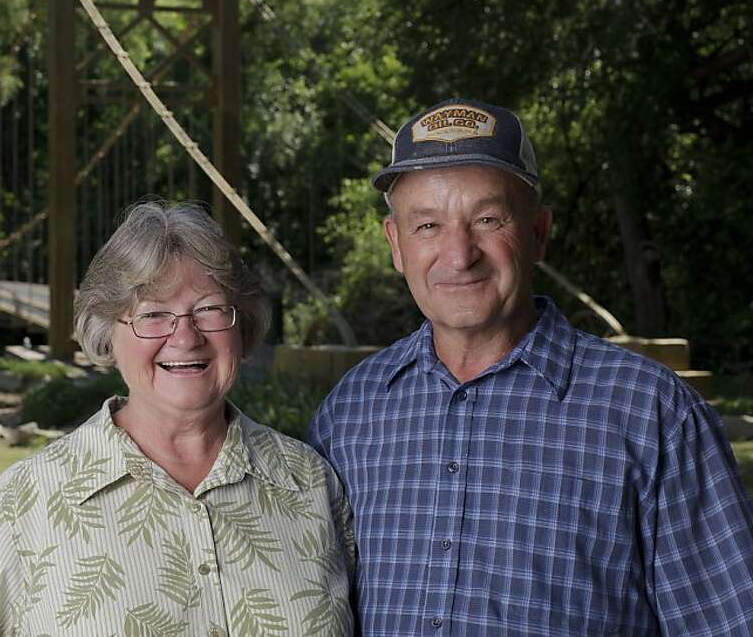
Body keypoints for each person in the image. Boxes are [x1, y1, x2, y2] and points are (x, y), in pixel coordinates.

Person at [309, 97, 753, 636]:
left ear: (539, 232)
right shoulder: (349, 413)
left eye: (488, 219)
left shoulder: (652, 414)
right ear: (395, 245)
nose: (458, 253)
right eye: (427, 225)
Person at [0, 201, 356, 637]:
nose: (185, 336)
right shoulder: (27, 503)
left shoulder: (311, 484)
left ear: (241, 328)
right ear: (107, 332)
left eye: (209, 308)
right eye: (153, 314)